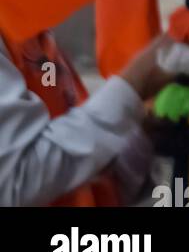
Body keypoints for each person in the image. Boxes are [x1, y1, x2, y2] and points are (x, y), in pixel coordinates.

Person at [0, 27, 175, 207]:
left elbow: (77, 163)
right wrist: (133, 86)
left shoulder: (29, 28)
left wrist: (141, 137)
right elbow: (15, 181)